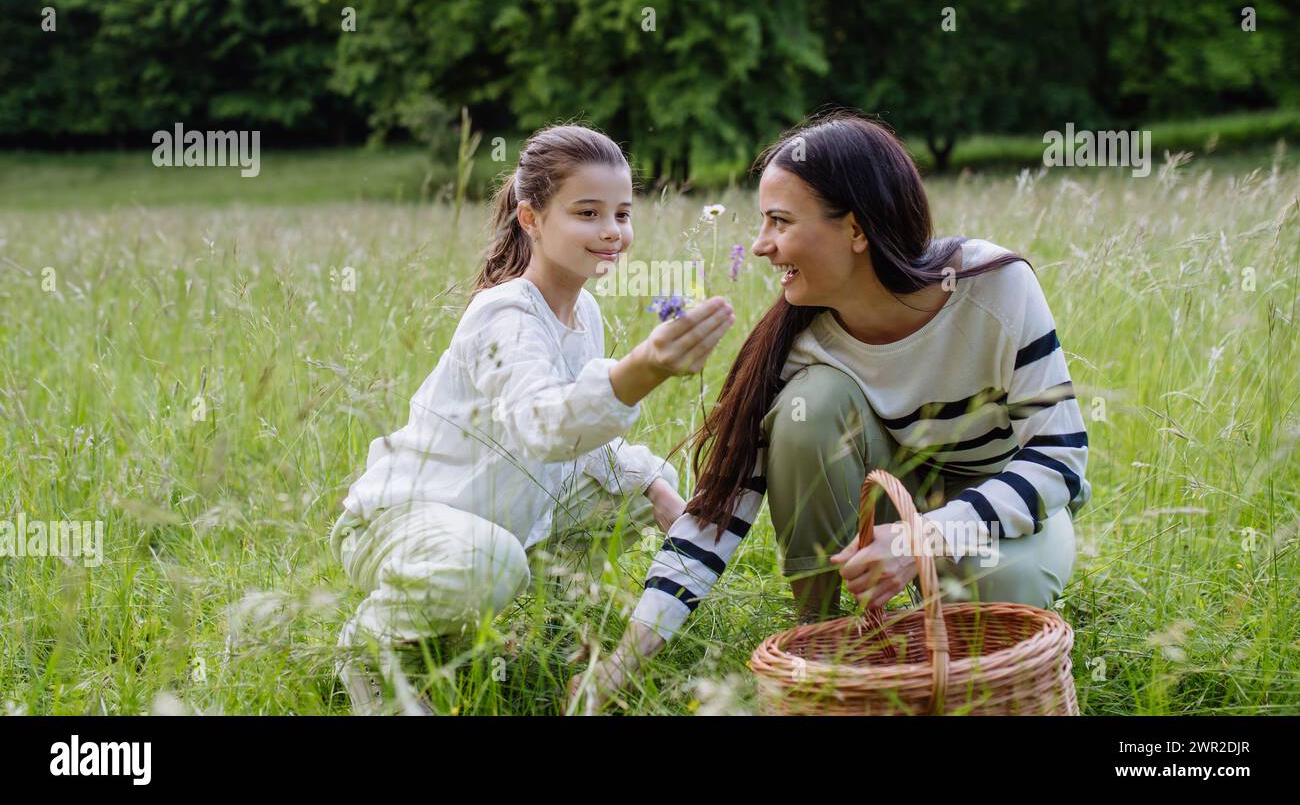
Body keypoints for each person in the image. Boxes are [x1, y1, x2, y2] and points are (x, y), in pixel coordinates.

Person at [571, 113, 1090, 710]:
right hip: (895, 493)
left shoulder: (992, 287)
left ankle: (943, 617)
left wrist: (924, 538)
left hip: (998, 503)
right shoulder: (799, 338)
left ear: (856, 230)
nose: (762, 244)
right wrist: (622, 661)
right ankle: (822, 638)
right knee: (808, 408)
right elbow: (717, 513)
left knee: (995, 596)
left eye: (779, 222)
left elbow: (1060, 455)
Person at [330, 123, 734, 713]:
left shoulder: (583, 312)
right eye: (587, 213)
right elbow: (544, 426)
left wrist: (653, 484)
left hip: (488, 519)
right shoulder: (505, 313)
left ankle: (530, 620)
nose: (611, 232)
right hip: (400, 524)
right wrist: (641, 368)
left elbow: (582, 440)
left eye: (622, 214)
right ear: (531, 219)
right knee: (492, 561)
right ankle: (368, 645)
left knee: (643, 491)